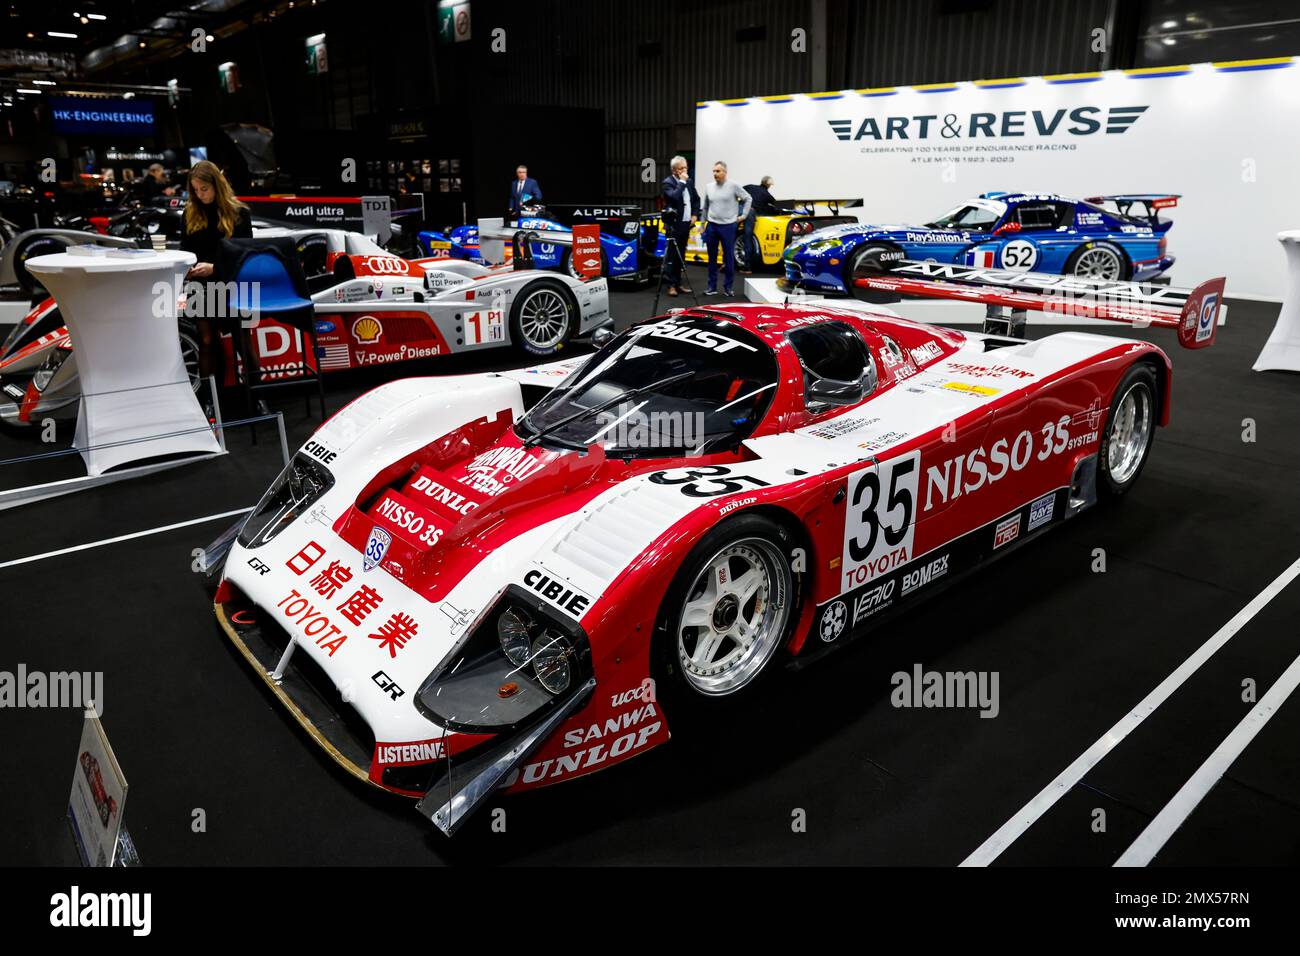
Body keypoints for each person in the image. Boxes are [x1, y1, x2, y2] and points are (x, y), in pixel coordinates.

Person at [180, 160, 252, 402]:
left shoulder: (240, 214)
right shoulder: (189, 214)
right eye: (196, 190)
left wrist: (215, 268)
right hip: (201, 285)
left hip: (233, 282)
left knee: (243, 342)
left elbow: (245, 256)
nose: (200, 195)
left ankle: (257, 397)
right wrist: (188, 269)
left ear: (217, 186)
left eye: (204, 189)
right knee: (207, 340)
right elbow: (186, 251)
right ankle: (210, 402)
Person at [700, 161, 751, 296]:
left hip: (728, 226)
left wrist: (743, 215)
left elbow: (748, 198)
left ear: (725, 172)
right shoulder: (709, 187)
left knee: (728, 257)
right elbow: (705, 207)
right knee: (711, 258)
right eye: (714, 171)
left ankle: (728, 288)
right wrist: (702, 225)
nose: (715, 174)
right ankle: (712, 287)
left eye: (718, 171)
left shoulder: (733, 186)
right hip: (712, 225)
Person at [659, 155, 700, 296]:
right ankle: (671, 285)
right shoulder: (668, 182)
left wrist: (695, 215)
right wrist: (682, 181)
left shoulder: (689, 182)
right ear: (676, 170)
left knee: (681, 255)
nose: (686, 170)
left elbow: (696, 200)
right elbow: (674, 197)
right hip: (674, 225)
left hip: (686, 224)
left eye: (686, 167)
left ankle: (678, 283)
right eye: (683, 168)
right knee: (672, 255)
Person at [740, 176, 778, 273]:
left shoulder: (750, 186)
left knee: (729, 234)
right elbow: (777, 206)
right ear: (769, 185)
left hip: (739, 209)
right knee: (747, 237)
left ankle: (726, 262)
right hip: (750, 213)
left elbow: (738, 191)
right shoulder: (767, 195)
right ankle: (747, 267)